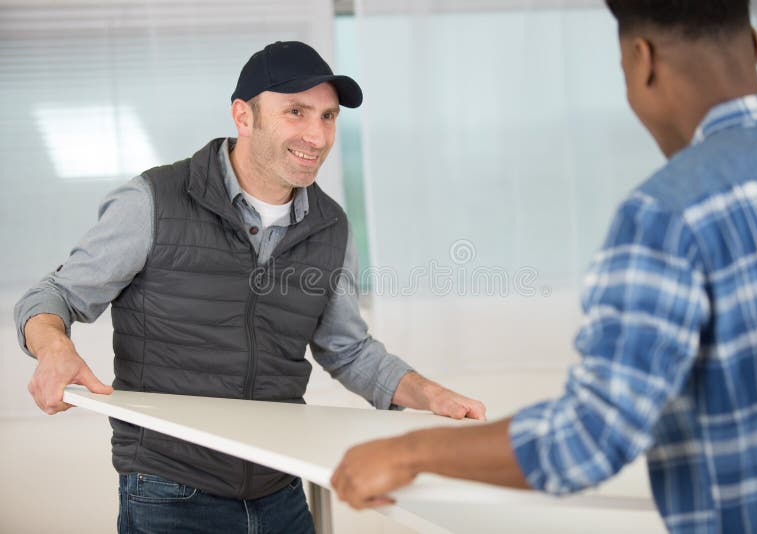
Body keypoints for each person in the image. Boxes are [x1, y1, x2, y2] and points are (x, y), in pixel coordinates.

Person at [330, 2, 757, 532]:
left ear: (641, 61)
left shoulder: (670, 213)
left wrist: (407, 452)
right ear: (755, 46)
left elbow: (590, 438)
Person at [15, 41, 486, 534]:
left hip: (280, 491)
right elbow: (54, 298)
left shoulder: (330, 226)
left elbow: (347, 350)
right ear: (244, 116)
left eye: (327, 117)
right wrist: (53, 348)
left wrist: (429, 393)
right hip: (170, 494)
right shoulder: (153, 201)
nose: (317, 135)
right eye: (296, 112)